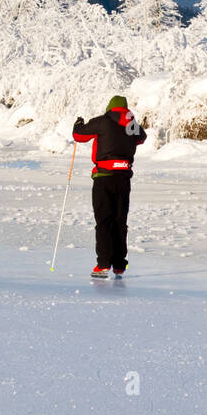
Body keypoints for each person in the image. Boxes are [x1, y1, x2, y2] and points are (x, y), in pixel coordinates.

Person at [73, 95, 146, 279]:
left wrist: (78, 123)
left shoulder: (103, 121)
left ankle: (103, 264)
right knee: (120, 221)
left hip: (104, 177)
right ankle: (119, 265)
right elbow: (142, 138)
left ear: (110, 107)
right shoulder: (132, 126)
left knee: (104, 220)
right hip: (124, 179)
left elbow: (79, 135)